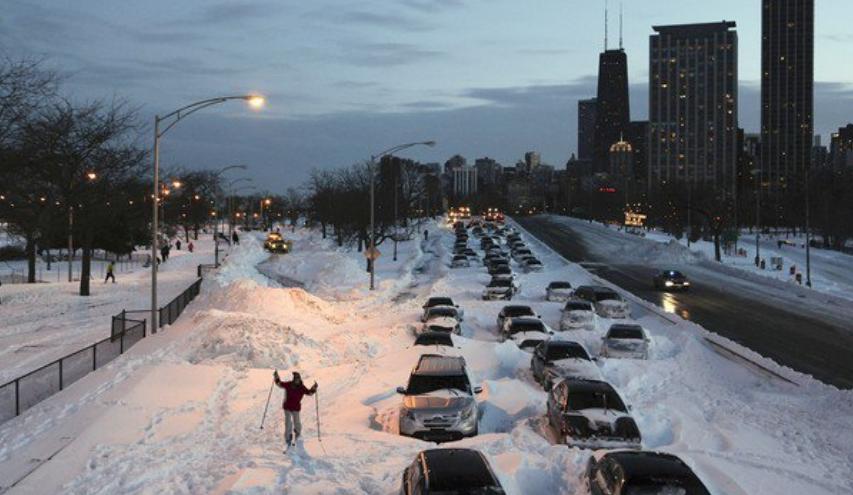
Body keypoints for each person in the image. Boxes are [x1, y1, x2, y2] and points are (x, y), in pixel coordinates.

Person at [273, 370, 317, 449]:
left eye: (298, 379)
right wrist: (276, 376)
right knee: (288, 422)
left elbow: (309, 393)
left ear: (300, 379)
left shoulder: (302, 387)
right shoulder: (289, 384)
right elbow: (279, 384)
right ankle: (288, 437)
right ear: (294, 379)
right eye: (296, 379)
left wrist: (314, 388)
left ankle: (298, 434)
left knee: (297, 422)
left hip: (296, 408)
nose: (297, 380)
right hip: (287, 407)